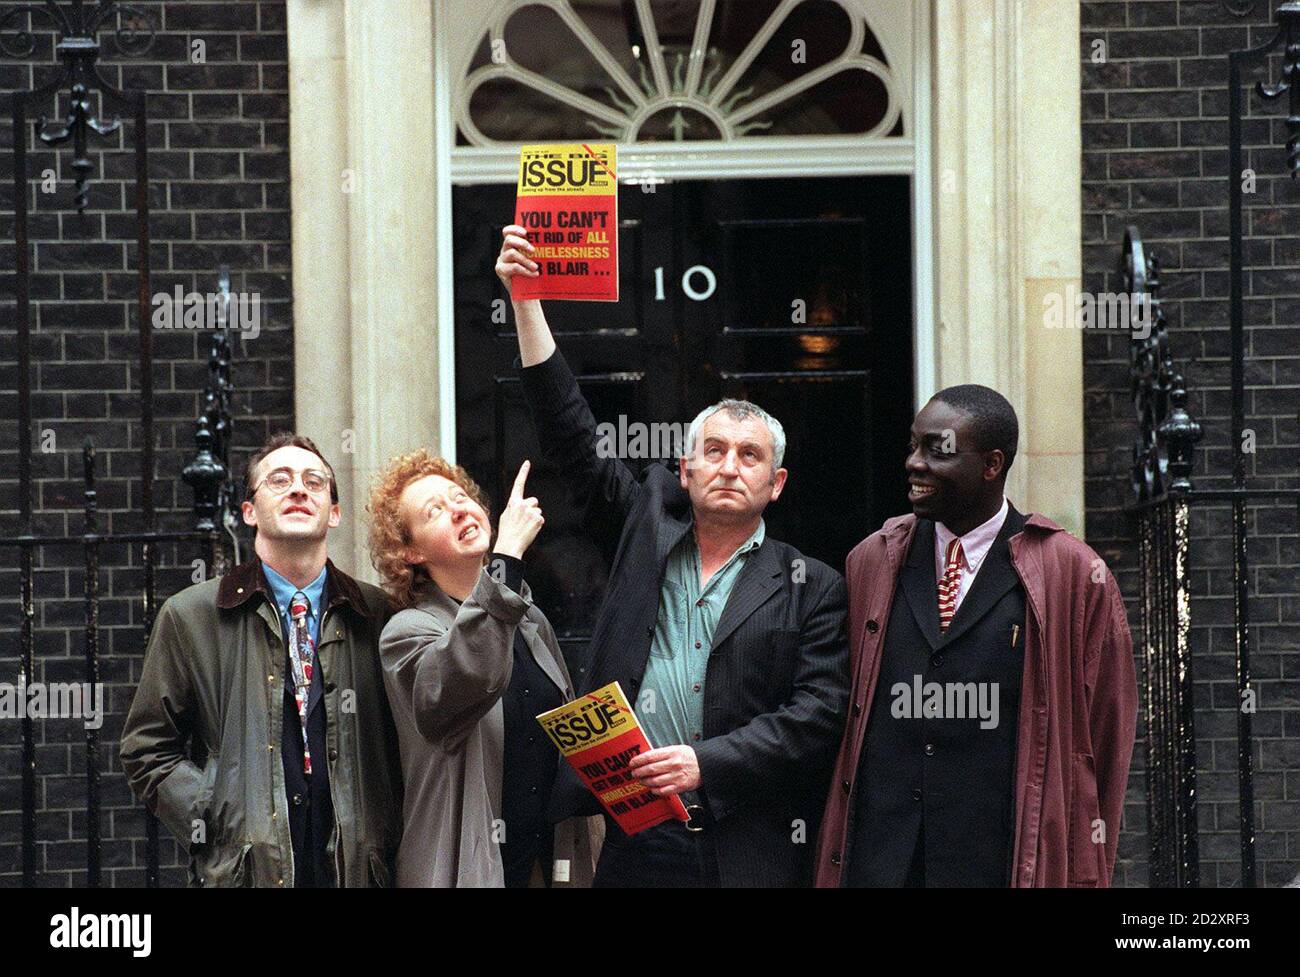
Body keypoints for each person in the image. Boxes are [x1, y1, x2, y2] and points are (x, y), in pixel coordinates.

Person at [496, 224, 850, 888]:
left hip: (751, 846)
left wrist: (706, 762)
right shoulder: (642, 532)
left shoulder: (813, 586)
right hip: (638, 840)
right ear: (685, 469)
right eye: (713, 451)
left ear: (775, 484)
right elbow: (571, 430)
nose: (728, 466)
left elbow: (817, 715)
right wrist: (525, 300)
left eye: (750, 456)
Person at [814, 385, 1138, 887]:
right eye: (913, 446)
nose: (914, 464)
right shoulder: (872, 559)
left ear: (991, 464)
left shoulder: (1072, 572)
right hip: (881, 860)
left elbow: (1105, 736)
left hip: (1001, 860)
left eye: (936, 450)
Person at [121, 433, 402, 887]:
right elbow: (146, 747)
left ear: (334, 513)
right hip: (246, 872)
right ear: (249, 511)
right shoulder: (191, 615)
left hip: (358, 871)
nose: (298, 490)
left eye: (315, 482)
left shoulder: (377, 615)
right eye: (279, 480)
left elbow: (406, 743)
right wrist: (215, 817)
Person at [369, 449, 599, 887]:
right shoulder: (408, 633)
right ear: (410, 551)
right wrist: (507, 555)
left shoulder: (530, 618)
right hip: (468, 870)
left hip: (546, 865)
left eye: (459, 497)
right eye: (434, 510)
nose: (457, 509)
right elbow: (465, 680)